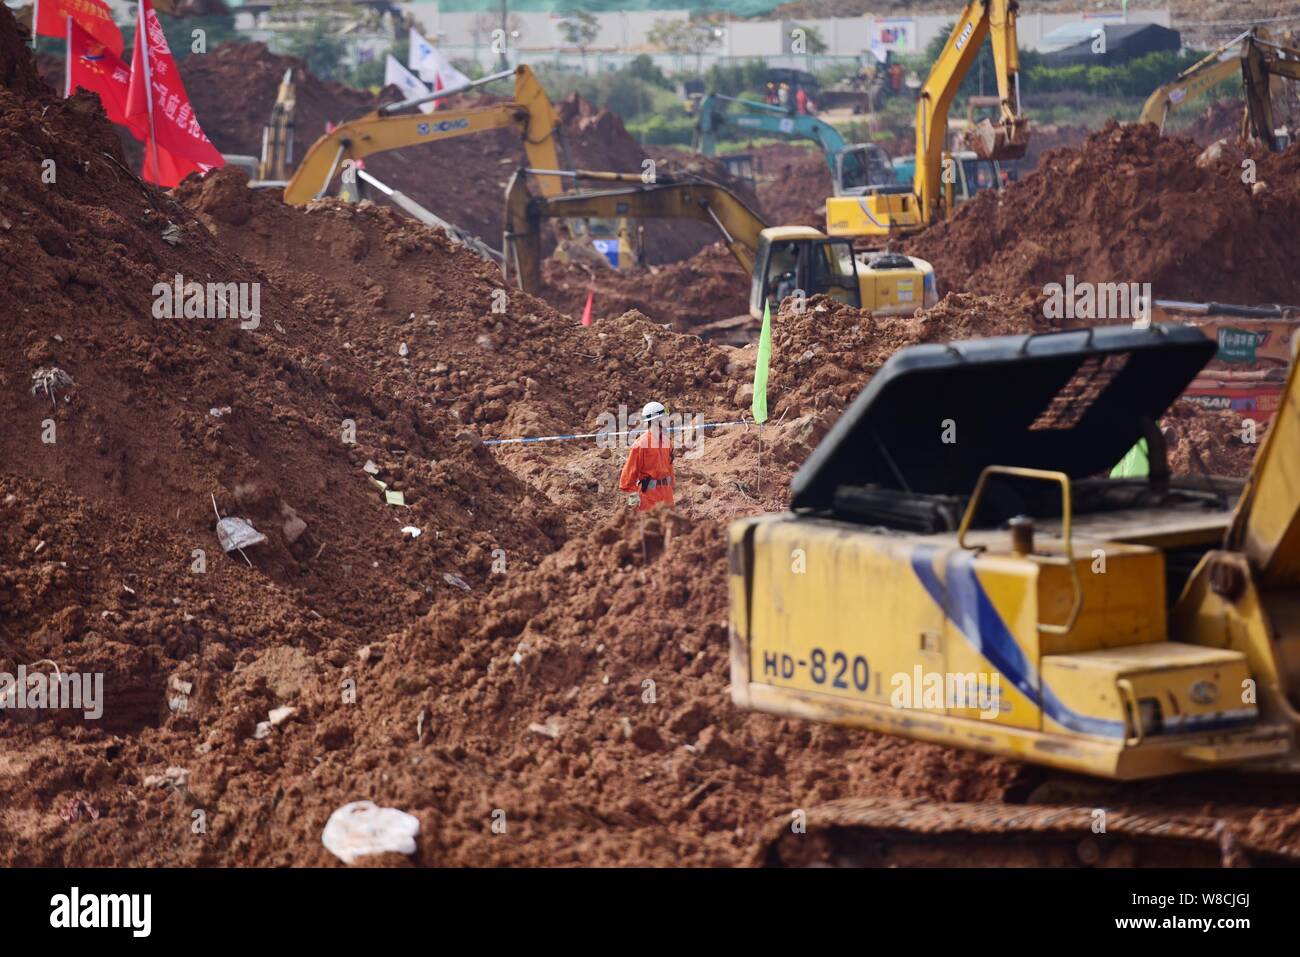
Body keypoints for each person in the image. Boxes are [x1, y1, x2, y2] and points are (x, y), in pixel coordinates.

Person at [619, 401, 675, 511]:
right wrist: (634, 502)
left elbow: (669, 467)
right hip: (649, 498)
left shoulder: (667, 442)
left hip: (667, 496)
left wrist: (672, 484)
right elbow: (627, 478)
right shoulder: (640, 445)